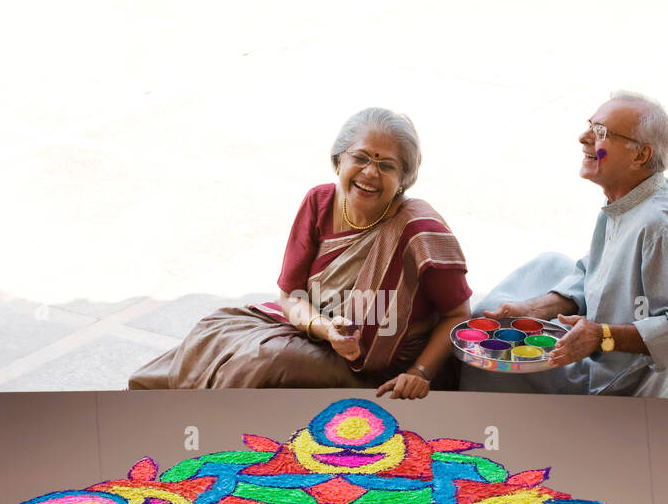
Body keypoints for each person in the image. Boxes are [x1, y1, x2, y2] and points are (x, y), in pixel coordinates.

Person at [129, 107, 472, 399]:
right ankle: (161, 418)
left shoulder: (420, 230)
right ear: (339, 161)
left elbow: (458, 314)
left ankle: (216, 436)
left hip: (381, 368)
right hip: (317, 335)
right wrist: (325, 328)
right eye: (361, 157)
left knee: (263, 362)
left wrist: (420, 372)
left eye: (387, 166)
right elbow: (290, 296)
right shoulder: (319, 203)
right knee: (212, 330)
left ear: (404, 178)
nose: (370, 172)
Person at [460, 91, 668, 398]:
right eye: (590, 126)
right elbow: (597, 269)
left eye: (601, 132)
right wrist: (537, 307)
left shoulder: (660, 227)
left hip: (619, 382)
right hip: (609, 343)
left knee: (489, 339)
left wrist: (602, 336)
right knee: (548, 266)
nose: (583, 138)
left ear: (640, 155)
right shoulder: (631, 196)